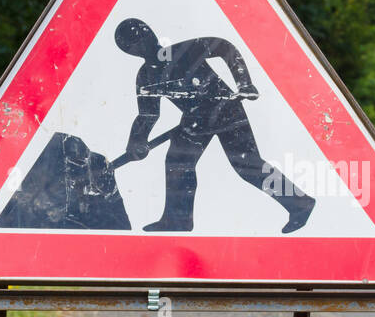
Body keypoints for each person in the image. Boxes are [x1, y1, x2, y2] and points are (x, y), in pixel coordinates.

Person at [115, 17, 315, 233]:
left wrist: (244, 82)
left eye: (146, 32)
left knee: (247, 165)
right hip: (194, 122)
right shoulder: (146, 77)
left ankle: (301, 204)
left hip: (226, 111)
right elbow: (148, 114)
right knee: (177, 163)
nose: (146, 38)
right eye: (138, 38)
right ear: (130, 50)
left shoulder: (183, 50)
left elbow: (225, 47)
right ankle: (177, 221)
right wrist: (136, 141)